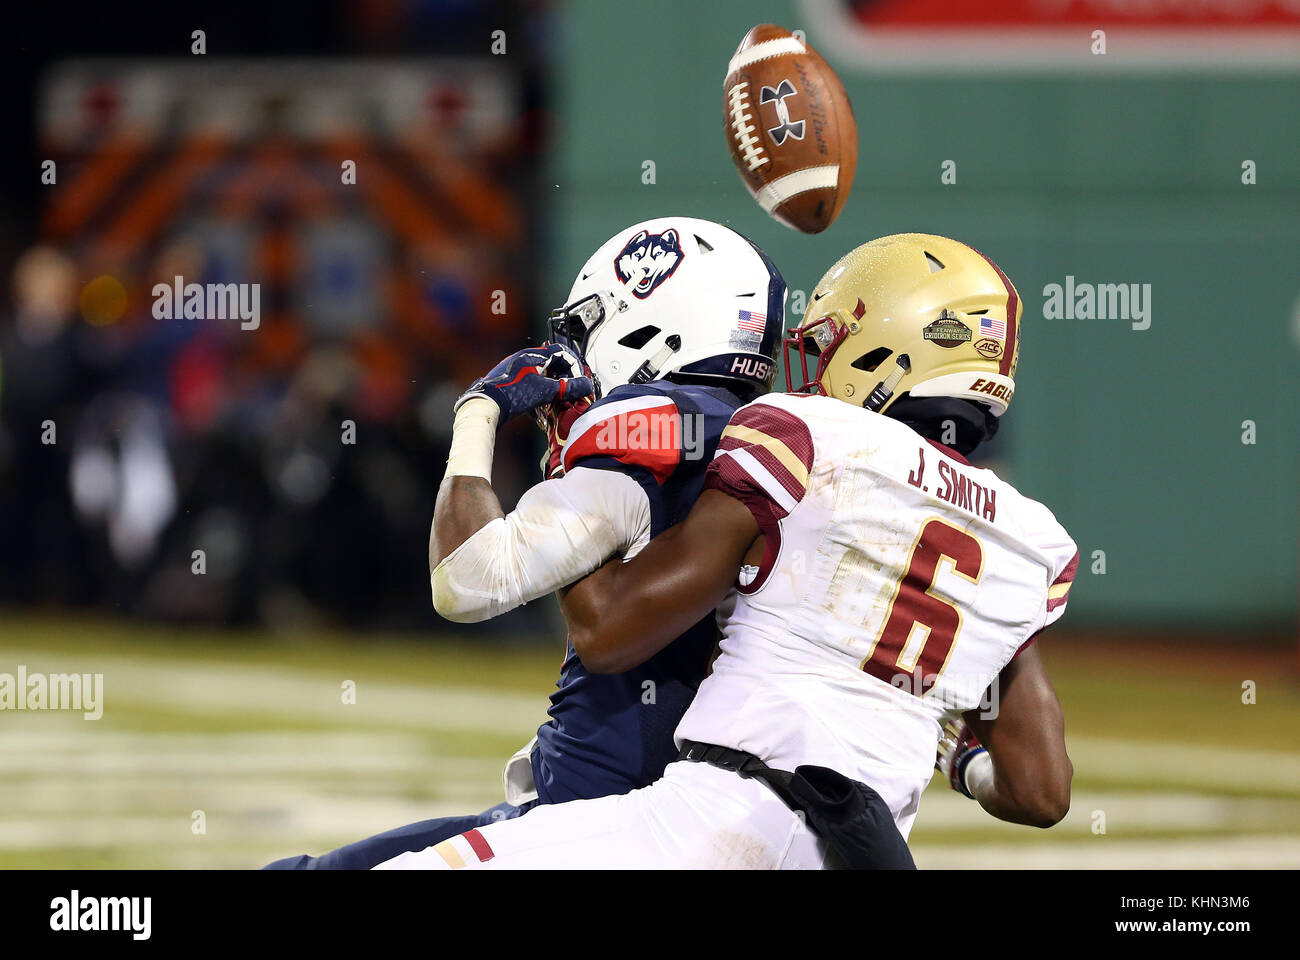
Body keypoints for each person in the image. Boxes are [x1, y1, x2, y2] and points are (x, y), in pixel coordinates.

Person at [373, 233, 1078, 870]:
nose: (815, 363)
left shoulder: (810, 437)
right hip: (864, 852)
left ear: (887, 354)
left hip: (716, 822)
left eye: (834, 343)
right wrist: (948, 745)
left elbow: (608, 632)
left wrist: (569, 444)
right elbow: (1040, 790)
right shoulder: (1026, 538)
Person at [265, 216, 786, 868]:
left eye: (593, 325)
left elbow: (466, 579)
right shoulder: (781, 447)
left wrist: (480, 410)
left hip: (598, 827)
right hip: (730, 822)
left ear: (657, 324)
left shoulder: (647, 436)